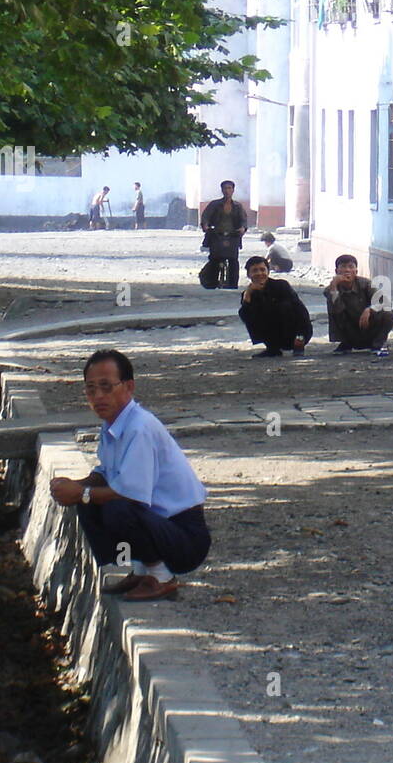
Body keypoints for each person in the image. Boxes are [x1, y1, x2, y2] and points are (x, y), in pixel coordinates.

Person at [49, 349, 210, 602]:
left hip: (186, 537)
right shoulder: (113, 424)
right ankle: (139, 569)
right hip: (160, 525)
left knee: (116, 508)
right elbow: (105, 473)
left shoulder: (139, 428)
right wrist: (73, 486)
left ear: (129, 387)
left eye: (106, 387)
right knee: (88, 501)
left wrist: (82, 492)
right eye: (91, 389)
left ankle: (162, 577)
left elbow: (130, 495)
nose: (98, 396)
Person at [239, 256, 313, 358]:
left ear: (268, 271)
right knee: (248, 312)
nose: (259, 273)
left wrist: (300, 337)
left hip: (297, 333)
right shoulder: (249, 293)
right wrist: (247, 295)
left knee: (285, 306)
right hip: (273, 334)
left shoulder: (281, 285)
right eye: (255, 270)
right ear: (248, 274)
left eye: (262, 269)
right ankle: (272, 348)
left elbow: (300, 312)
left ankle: (298, 345)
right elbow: (245, 316)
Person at [325, 254, 393, 356]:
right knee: (333, 306)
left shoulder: (365, 284)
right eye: (343, 267)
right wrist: (334, 288)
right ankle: (345, 344)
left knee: (389, 313)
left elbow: (385, 302)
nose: (347, 270)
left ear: (356, 272)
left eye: (350, 266)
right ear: (337, 271)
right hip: (349, 330)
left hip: (368, 326)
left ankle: (377, 344)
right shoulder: (331, 289)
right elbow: (337, 312)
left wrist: (370, 309)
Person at [200, 180, 248, 288]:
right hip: (217, 235)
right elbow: (205, 217)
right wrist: (206, 226)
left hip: (232, 236)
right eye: (225, 188)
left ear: (233, 190)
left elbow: (243, 220)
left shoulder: (237, 206)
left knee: (233, 261)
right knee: (214, 260)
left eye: (229, 188)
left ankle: (232, 284)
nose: (227, 191)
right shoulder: (214, 204)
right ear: (222, 190)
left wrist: (242, 228)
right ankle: (212, 282)